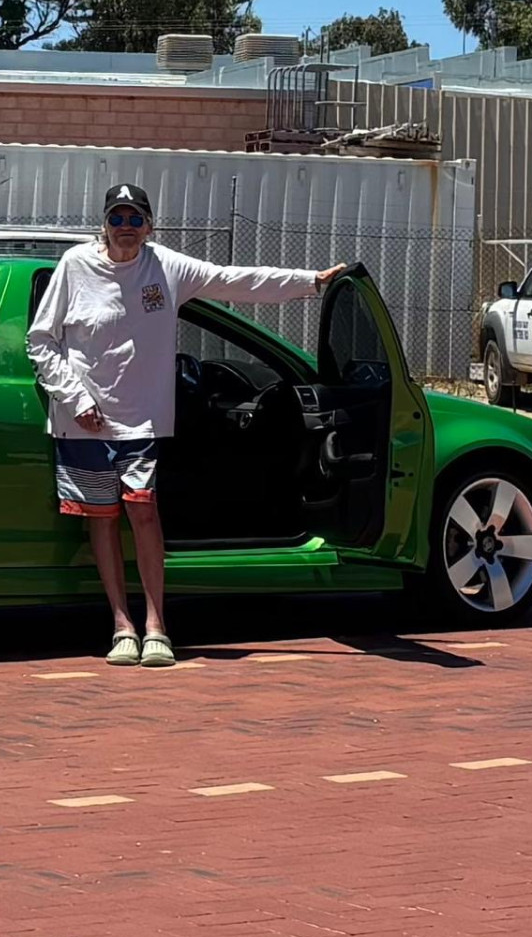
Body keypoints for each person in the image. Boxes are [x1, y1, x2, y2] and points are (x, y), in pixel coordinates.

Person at [26, 183, 345, 668]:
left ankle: (156, 626)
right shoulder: (75, 266)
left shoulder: (167, 267)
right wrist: (74, 397)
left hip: (143, 419)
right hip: (83, 421)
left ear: (149, 226)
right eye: (118, 218)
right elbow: (41, 341)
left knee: (144, 512)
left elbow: (237, 281)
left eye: (135, 219)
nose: (126, 229)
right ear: (104, 224)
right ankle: (121, 625)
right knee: (102, 520)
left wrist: (311, 281)